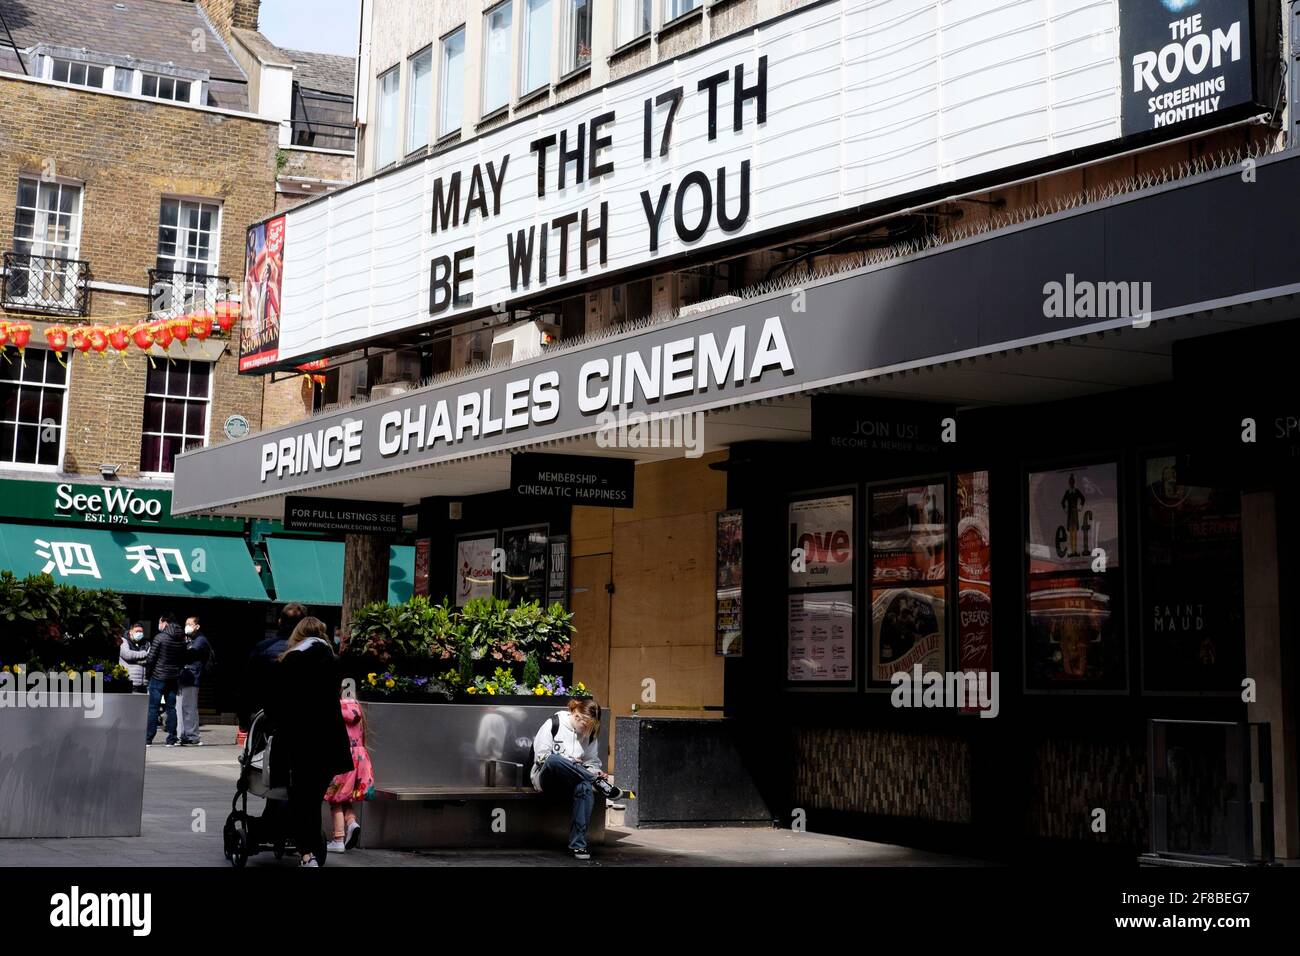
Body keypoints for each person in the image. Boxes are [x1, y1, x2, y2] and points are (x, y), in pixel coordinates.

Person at [266, 616, 352, 867]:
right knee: (313, 799)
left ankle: (307, 853)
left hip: (298, 742)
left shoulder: (289, 661)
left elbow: (275, 704)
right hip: (327, 742)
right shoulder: (334, 662)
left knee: (300, 798)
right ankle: (311, 850)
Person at [531, 698, 612, 860]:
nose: (586, 729)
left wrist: (594, 771)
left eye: (591, 725)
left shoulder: (589, 735)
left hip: (572, 781)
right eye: (585, 724)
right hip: (547, 778)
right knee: (554, 759)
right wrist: (568, 761)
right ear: (576, 715)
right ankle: (594, 780)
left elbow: (592, 762)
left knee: (584, 787)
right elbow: (541, 758)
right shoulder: (553, 724)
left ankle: (578, 845)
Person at [238, 603, 307, 731]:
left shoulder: (262, 648)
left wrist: (244, 718)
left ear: (280, 622)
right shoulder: (312, 651)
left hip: (266, 714)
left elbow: (248, 685)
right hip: (300, 718)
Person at [324, 698, 374, 853]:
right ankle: (352, 823)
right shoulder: (356, 706)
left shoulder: (334, 708)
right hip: (360, 758)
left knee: (335, 799)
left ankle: (338, 839)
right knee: (344, 796)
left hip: (342, 756)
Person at [144, 613, 186, 747]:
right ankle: (171, 738)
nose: (159, 625)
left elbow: (151, 659)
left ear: (165, 622)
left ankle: (148, 738)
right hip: (173, 678)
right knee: (171, 708)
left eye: (160, 622)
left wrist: (148, 674)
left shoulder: (160, 637)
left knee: (153, 708)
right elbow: (182, 658)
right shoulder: (181, 638)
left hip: (157, 676)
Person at [178, 616, 213, 746]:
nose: (186, 626)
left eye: (189, 624)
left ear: (197, 626)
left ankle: (192, 736)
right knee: (185, 707)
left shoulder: (200, 640)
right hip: (186, 676)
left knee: (189, 707)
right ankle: (187, 734)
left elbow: (191, 653)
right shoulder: (190, 639)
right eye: (185, 623)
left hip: (192, 677)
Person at [118, 622, 152, 694]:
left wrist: (135, 660)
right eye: (137, 631)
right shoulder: (124, 641)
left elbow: (150, 658)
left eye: (141, 632)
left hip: (144, 684)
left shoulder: (147, 644)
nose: (139, 633)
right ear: (130, 632)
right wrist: (143, 653)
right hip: (130, 682)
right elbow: (127, 654)